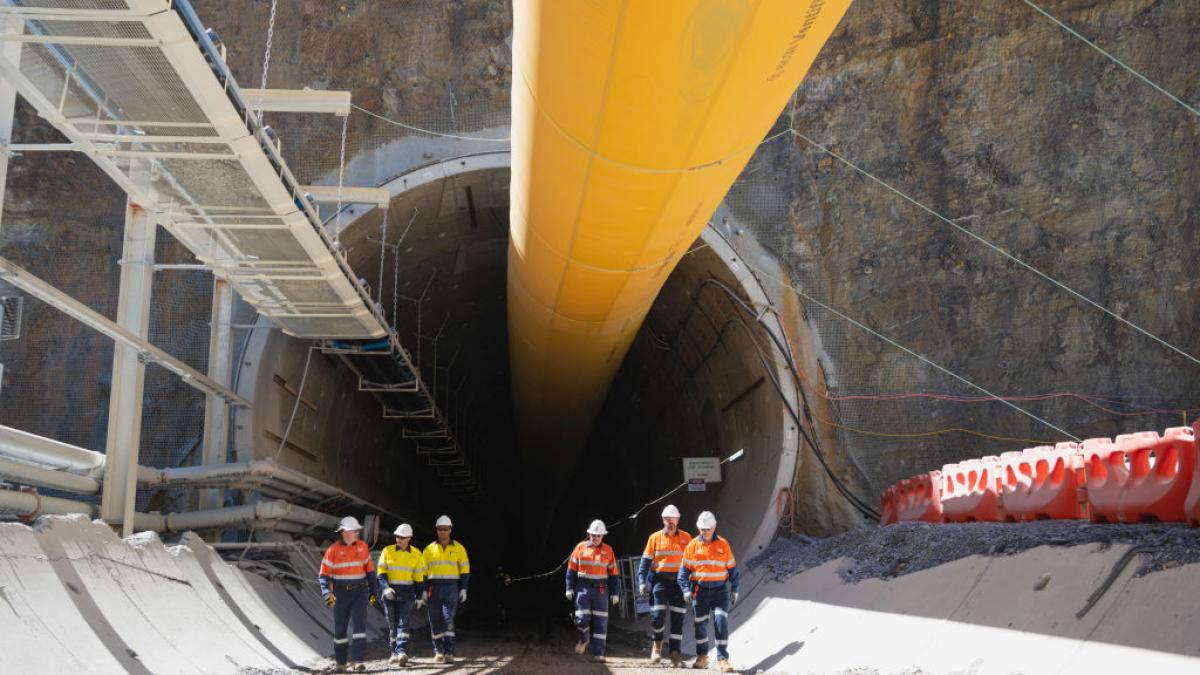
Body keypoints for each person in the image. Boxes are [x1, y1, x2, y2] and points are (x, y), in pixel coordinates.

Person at [678, 511, 739, 673]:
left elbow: (733, 570)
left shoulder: (723, 545)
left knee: (720, 621)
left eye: (708, 529)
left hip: (720, 592)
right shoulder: (692, 546)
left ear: (714, 527)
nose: (705, 532)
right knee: (700, 626)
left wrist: (735, 589)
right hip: (700, 592)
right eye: (702, 529)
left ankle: (723, 659)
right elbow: (683, 572)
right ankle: (702, 657)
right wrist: (685, 590)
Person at [318, 516, 380, 673]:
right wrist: (327, 593)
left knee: (359, 627)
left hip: (360, 592)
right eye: (354, 531)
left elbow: (370, 572)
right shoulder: (332, 550)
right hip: (340, 593)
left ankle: (358, 660)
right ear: (344, 532)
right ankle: (341, 663)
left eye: (357, 531)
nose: (357, 533)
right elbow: (324, 575)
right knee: (340, 629)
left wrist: (373, 591)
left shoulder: (363, 547)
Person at [638, 504, 692, 666]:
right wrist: (642, 581)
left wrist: (693, 584)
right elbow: (645, 562)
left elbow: (693, 562)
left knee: (677, 619)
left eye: (673, 519)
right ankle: (657, 646)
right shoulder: (654, 538)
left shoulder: (686, 538)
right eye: (667, 519)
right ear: (663, 520)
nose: (670, 522)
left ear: (678, 519)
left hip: (679, 583)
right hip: (659, 582)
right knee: (657, 616)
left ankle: (675, 653)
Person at [565, 519, 621, 663]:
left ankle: (599, 653)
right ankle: (584, 639)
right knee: (581, 618)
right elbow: (571, 569)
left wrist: (615, 592)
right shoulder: (580, 547)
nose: (596, 538)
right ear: (589, 534)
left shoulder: (608, 550)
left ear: (603, 536)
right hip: (583, 588)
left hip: (601, 589)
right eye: (593, 535)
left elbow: (614, 573)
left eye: (598, 535)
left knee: (601, 621)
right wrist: (569, 587)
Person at [377, 523, 427, 667]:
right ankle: (393, 653)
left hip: (407, 592)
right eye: (398, 536)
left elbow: (419, 578)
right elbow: (381, 574)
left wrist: (419, 596)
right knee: (392, 624)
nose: (399, 539)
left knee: (403, 623)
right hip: (391, 592)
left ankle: (402, 651)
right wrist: (386, 588)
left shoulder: (416, 554)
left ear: (409, 538)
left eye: (403, 537)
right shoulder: (387, 551)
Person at [422, 514, 470, 663]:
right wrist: (422, 590)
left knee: (448, 618)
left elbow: (465, 570)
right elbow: (422, 573)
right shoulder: (429, 549)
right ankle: (438, 651)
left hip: (451, 588)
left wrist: (463, 588)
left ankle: (449, 651)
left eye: (445, 529)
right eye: (440, 529)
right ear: (436, 530)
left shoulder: (459, 548)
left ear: (450, 530)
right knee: (435, 619)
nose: (442, 532)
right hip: (433, 588)